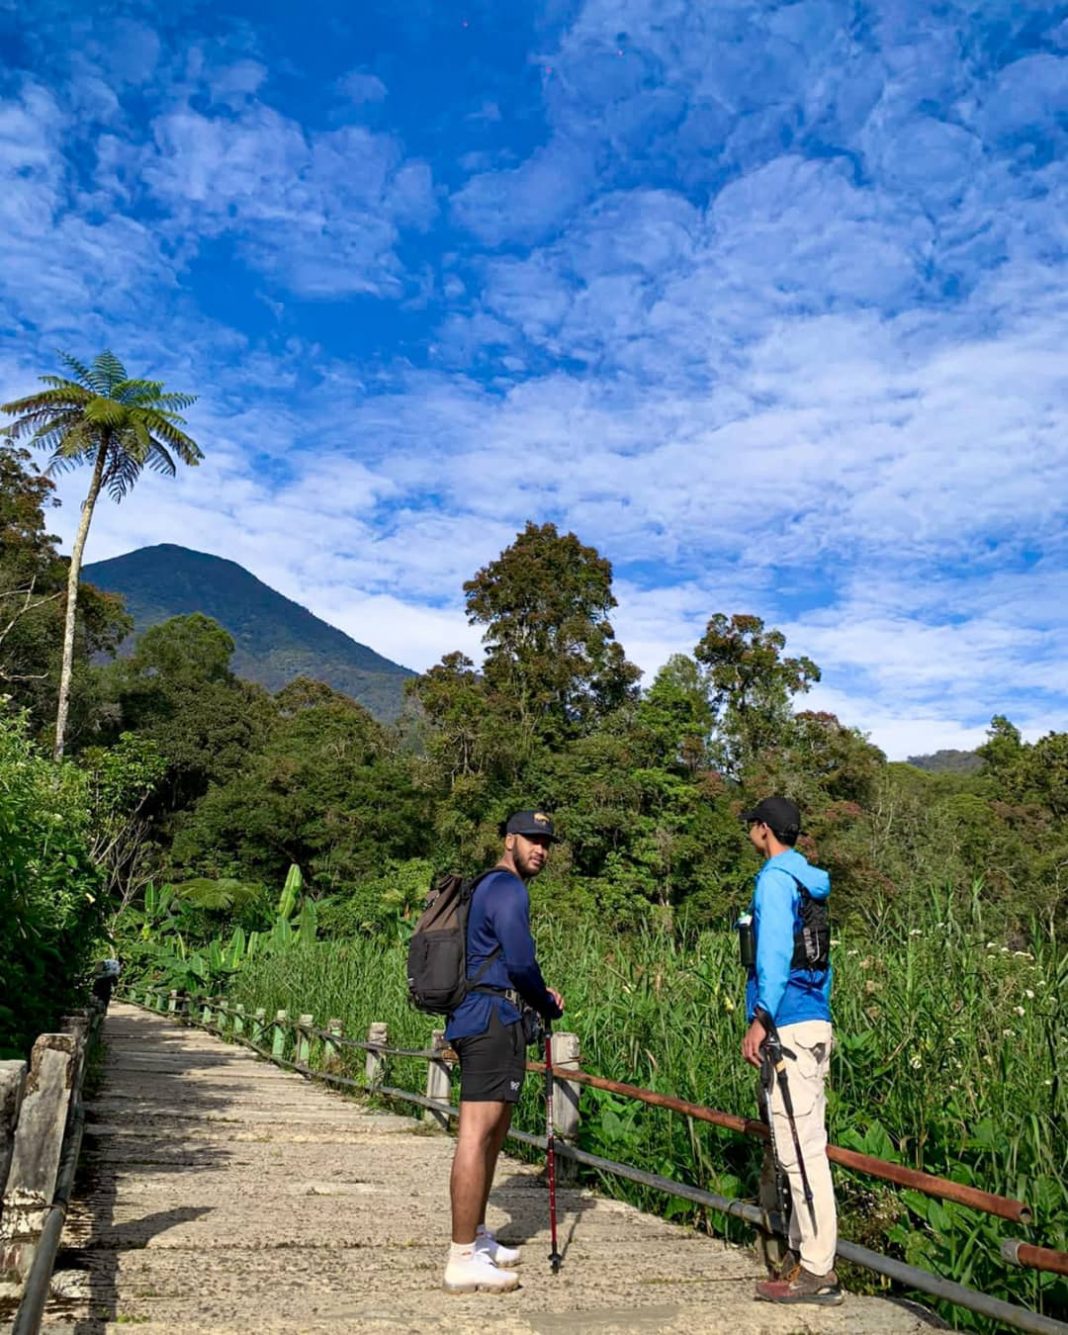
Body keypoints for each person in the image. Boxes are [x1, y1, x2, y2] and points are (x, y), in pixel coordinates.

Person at [441, 811, 565, 1295]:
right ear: (509, 840)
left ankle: (476, 1237)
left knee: (492, 1134)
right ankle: (461, 1257)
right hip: (490, 1020)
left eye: (546, 843)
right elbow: (519, 961)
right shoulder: (508, 888)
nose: (541, 849)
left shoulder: (485, 888)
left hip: (490, 1016)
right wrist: (545, 1000)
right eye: (532, 840)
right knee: (475, 1134)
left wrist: (532, 997)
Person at [739, 796, 843, 1307]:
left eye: (753, 827)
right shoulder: (809, 880)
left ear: (764, 830)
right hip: (814, 1021)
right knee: (805, 1144)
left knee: (800, 1153)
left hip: (790, 1027)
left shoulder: (776, 880)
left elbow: (775, 954)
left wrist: (760, 1019)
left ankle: (819, 1271)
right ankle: (806, 1257)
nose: (751, 834)